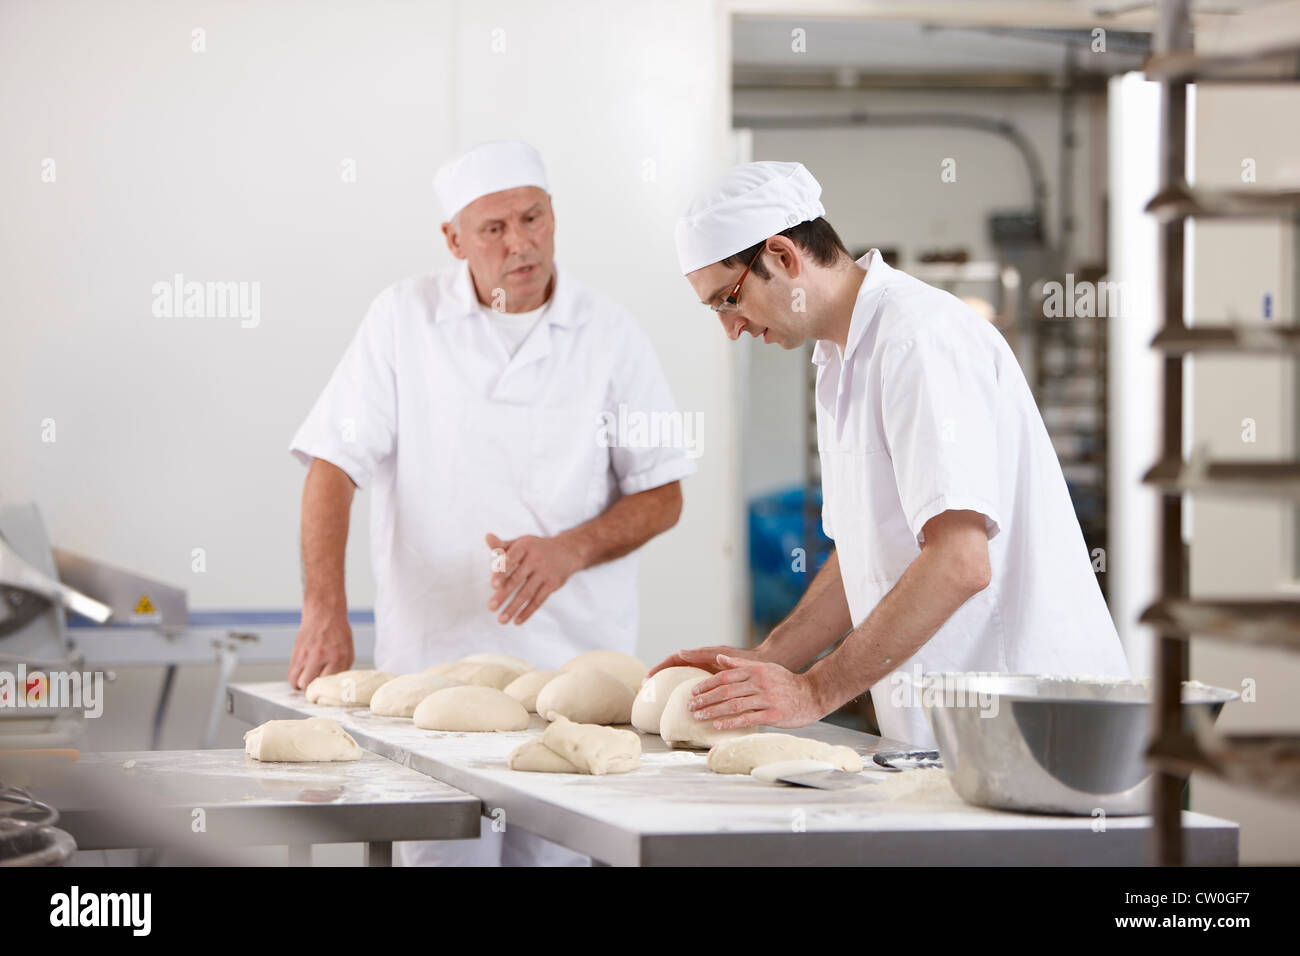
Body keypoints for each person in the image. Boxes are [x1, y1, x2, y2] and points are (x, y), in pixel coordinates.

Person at [287, 141, 695, 864]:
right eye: (494, 229)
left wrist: (570, 549)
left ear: (554, 216)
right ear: (453, 240)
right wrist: (325, 609)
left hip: (577, 682)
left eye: (532, 218)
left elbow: (664, 495)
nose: (521, 243)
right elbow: (332, 467)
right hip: (429, 678)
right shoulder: (402, 321)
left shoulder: (611, 335)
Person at [654, 161, 1129, 749]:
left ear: (781, 256)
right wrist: (769, 657)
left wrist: (816, 692)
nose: (731, 328)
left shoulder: (917, 337)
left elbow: (959, 561)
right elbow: (867, 558)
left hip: (1036, 724)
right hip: (954, 733)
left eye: (728, 300)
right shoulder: (838, 359)